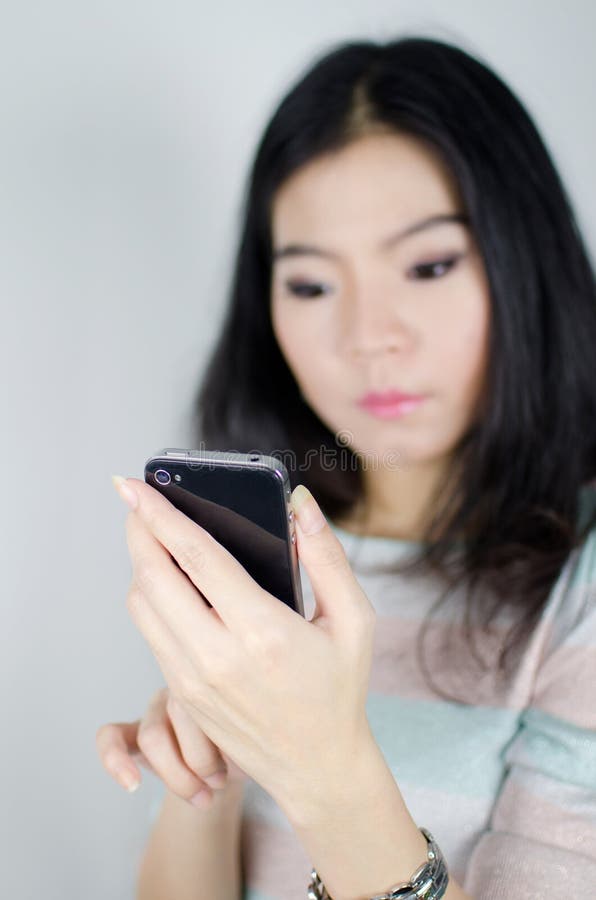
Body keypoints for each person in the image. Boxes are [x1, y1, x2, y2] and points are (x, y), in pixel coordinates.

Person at [96, 34, 596, 900]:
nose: (369, 335)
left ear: (525, 265)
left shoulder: (578, 584)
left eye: (429, 264)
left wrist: (322, 763)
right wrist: (206, 777)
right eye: (312, 286)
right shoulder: (266, 547)